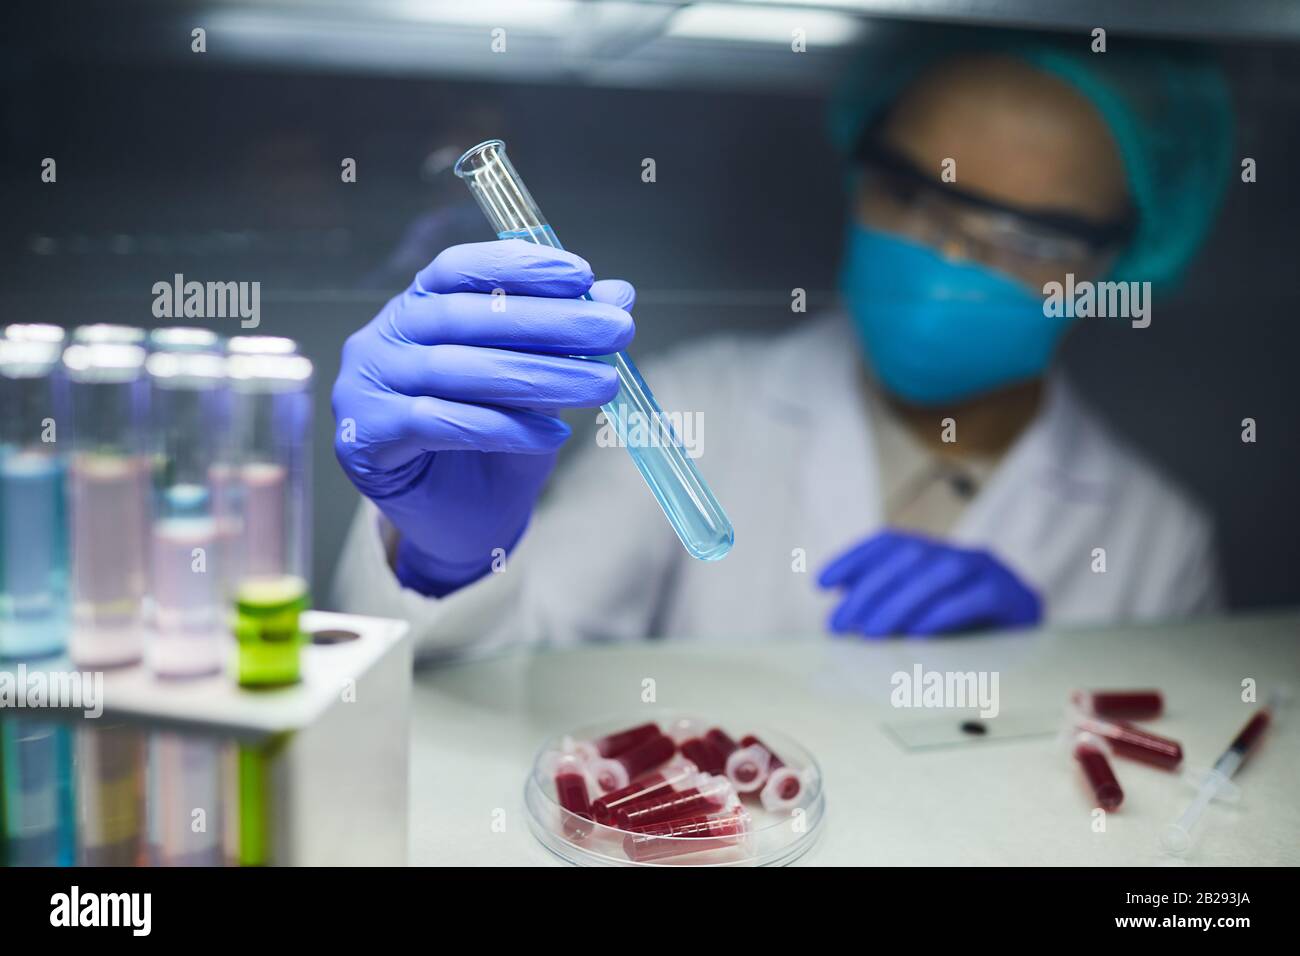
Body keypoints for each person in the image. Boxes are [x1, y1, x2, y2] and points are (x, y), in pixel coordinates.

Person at [329, 36, 1233, 658]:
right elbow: (506, 663)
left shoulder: (1158, 538)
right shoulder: (703, 403)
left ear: (1128, 258)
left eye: (1030, 235)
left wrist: (1039, 680)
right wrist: (444, 562)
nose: (952, 255)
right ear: (855, 173)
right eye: (913, 194)